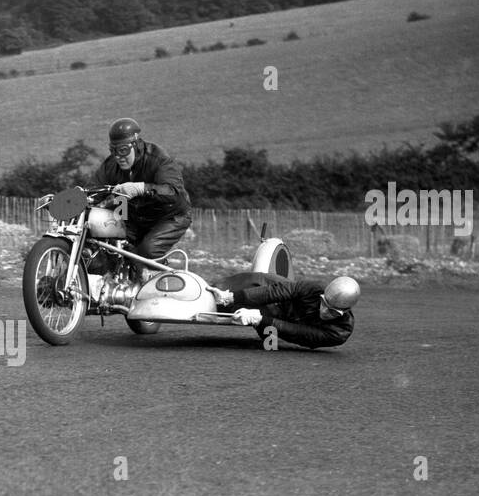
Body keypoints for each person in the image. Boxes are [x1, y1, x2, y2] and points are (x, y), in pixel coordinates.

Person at [93, 118, 191, 281]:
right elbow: (93, 189)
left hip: (168, 214)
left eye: (123, 150)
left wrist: (141, 188)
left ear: (136, 145)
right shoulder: (110, 166)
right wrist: (70, 202)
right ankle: (118, 286)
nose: (118, 156)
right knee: (110, 242)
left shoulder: (158, 159)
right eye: (113, 150)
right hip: (131, 212)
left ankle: (167, 284)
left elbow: (173, 192)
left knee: (148, 251)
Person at [208, 275, 360, 349]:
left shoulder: (341, 332)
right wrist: (231, 296)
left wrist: (259, 319)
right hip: (280, 306)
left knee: (250, 316)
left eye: (332, 312)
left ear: (345, 311)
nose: (324, 311)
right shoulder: (314, 288)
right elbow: (276, 291)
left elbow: (299, 333)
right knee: (250, 286)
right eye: (323, 303)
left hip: (280, 330)